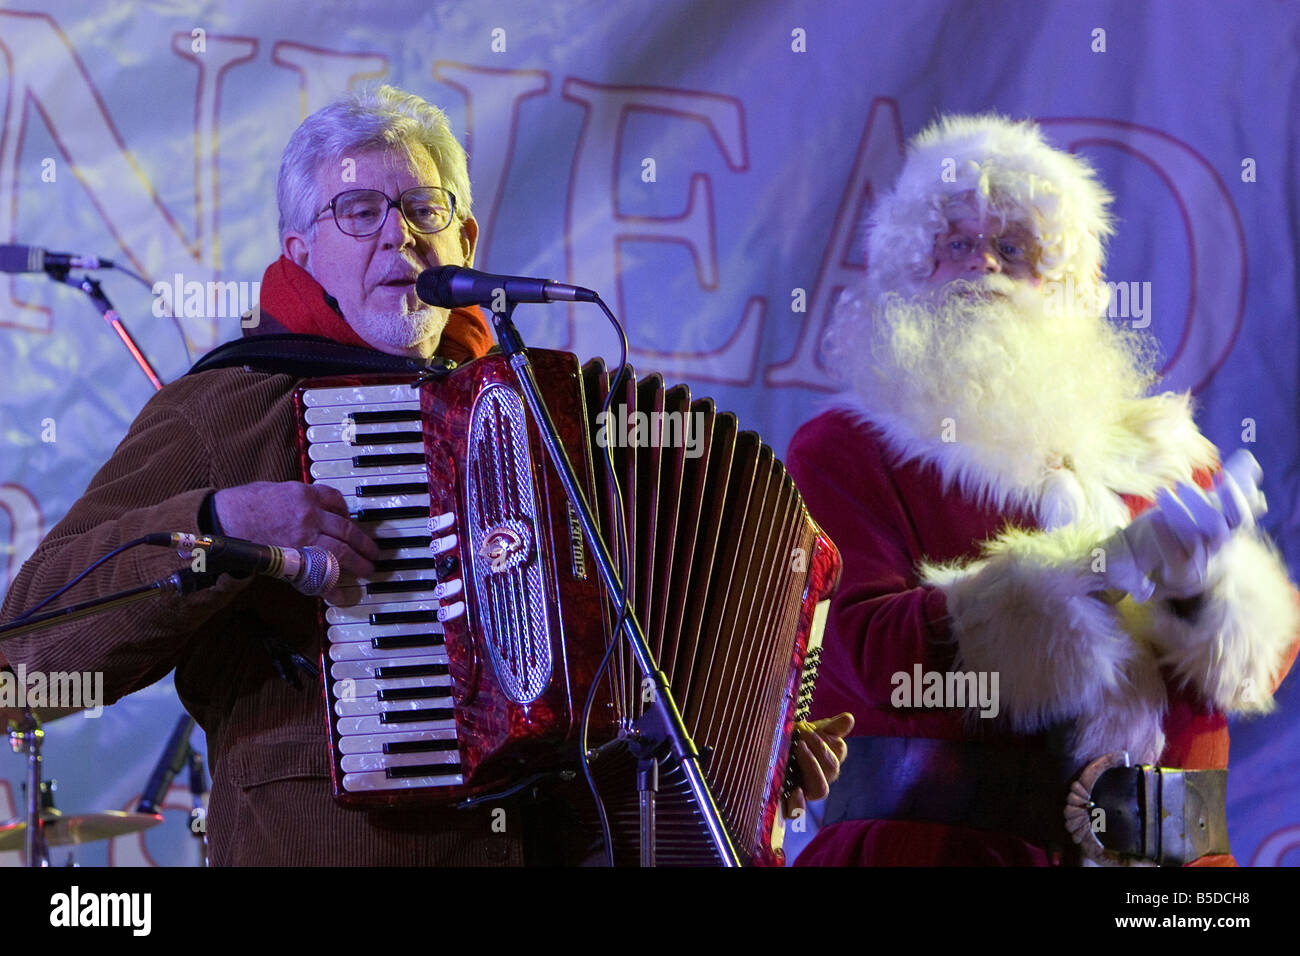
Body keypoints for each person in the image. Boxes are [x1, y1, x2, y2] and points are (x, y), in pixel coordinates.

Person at [1, 85, 843, 865]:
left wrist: (752, 754)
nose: (395, 232)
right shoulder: (227, 408)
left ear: (465, 240)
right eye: (358, 210)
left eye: (421, 207)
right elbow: (23, 664)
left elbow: (614, 699)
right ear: (300, 251)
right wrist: (219, 528)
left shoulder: (552, 414)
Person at [787, 113, 1300, 867]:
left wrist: (1203, 596)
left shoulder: (1165, 456)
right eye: (955, 243)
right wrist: (1097, 568)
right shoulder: (845, 450)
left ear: (1068, 286)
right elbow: (872, 658)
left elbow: (1247, 673)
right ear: (909, 271)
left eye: (1015, 248)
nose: (984, 266)